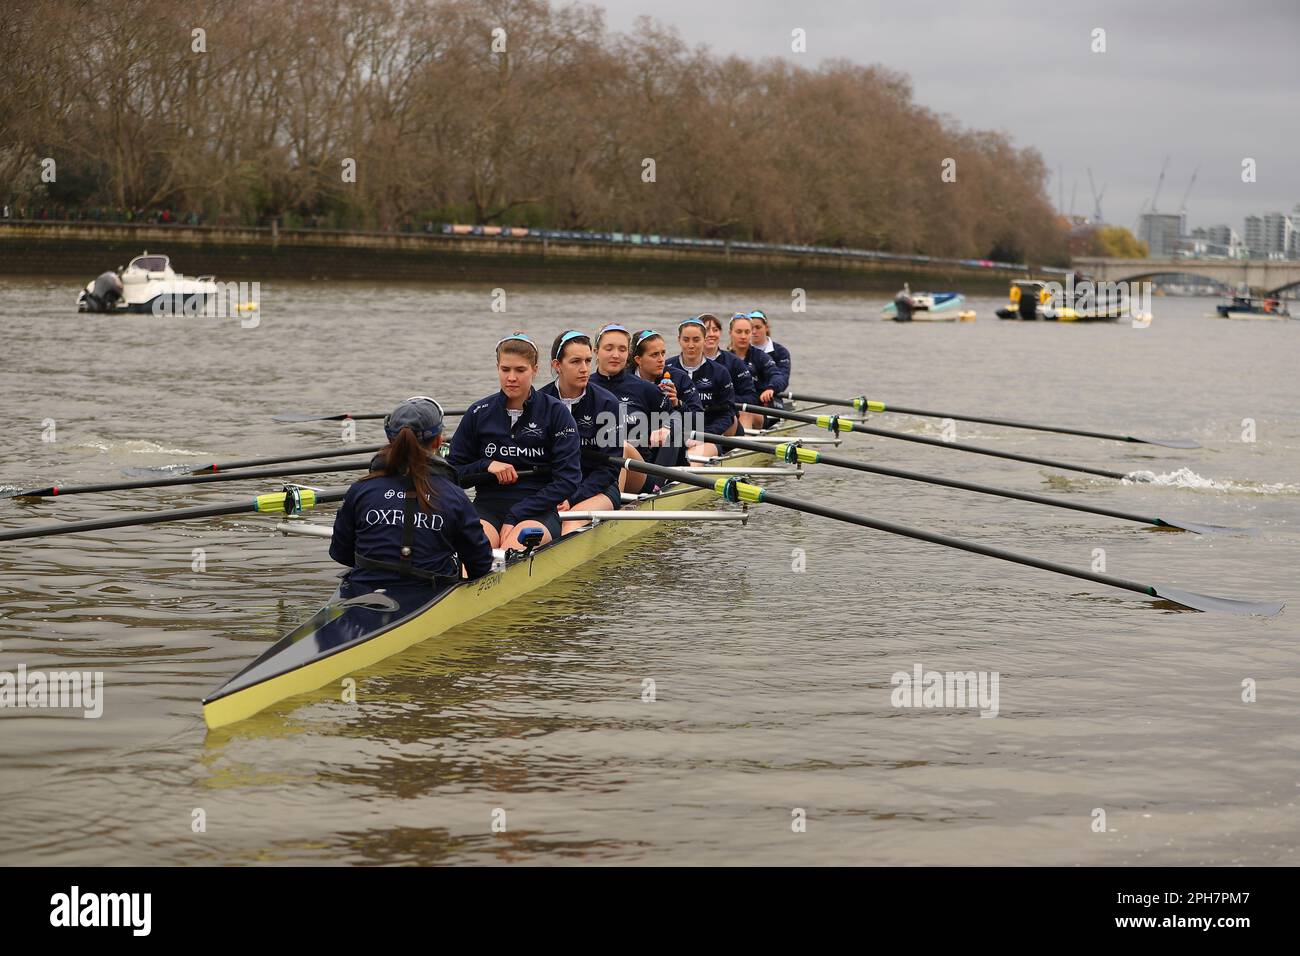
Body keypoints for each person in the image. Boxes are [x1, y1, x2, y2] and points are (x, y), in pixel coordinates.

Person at [330, 397, 493, 594]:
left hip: (365, 588)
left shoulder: (360, 489)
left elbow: (340, 553)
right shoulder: (455, 497)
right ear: (439, 440)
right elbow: (481, 565)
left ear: (390, 439)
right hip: (430, 592)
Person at [448, 333, 582, 550]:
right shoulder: (478, 412)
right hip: (487, 508)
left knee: (510, 551)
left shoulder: (556, 412)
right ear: (497, 368)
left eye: (520, 370)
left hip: (537, 509)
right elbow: (453, 474)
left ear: (535, 369)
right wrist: (486, 465)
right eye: (505, 369)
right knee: (473, 551)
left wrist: (516, 515)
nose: (512, 377)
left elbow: (568, 480)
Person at [538, 330, 625, 535]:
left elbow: (609, 469)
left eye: (587, 361)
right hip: (553, 489)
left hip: (598, 487)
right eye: (576, 361)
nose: (584, 369)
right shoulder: (539, 401)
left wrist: (572, 497)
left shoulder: (607, 403)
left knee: (571, 522)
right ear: (557, 365)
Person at [592, 322, 672, 493]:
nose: (615, 355)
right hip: (592, 469)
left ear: (628, 354)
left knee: (621, 445)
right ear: (596, 352)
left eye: (622, 349)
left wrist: (666, 427)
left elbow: (680, 419)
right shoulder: (584, 387)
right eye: (608, 348)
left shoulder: (646, 389)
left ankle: (613, 502)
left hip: (638, 472)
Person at [629, 328, 705, 465]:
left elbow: (697, 422)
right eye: (654, 355)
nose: (661, 360)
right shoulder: (625, 379)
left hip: (672, 445)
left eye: (663, 353)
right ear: (638, 359)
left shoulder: (679, 378)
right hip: (635, 445)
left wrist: (677, 403)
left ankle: (659, 483)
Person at [666, 316, 735, 454]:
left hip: (708, 433)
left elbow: (727, 414)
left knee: (690, 457)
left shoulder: (720, 372)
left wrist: (705, 435)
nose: (691, 345)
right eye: (686, 340)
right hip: (674, 431)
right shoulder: (666, 369)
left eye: (696, 340)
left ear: (704, 340)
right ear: (678, 340)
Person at [726, 312, 779, 432]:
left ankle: (741, 447)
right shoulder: (722, 359)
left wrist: (771, 388)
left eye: (747, 332)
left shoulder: (761, 357)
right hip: (727, 410)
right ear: (730, 333)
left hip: (755, 409)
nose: (743, 336)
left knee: (745, 412)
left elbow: (777, 375)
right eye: (739, 332)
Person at [699, 313, 756, 426]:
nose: (711, 334)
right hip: (697, 415)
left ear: (720, 333)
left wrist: (722, 400)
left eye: (715, 330)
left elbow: (752, 397)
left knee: (745, 413)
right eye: (706, 330)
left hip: (726, 415)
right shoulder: (686, 362)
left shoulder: (734, 362)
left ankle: (741, 442)